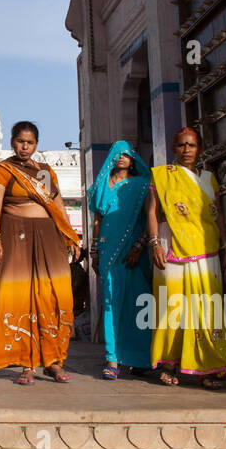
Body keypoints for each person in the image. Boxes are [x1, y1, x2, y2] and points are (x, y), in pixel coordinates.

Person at [144, 127, 226, 388]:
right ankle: (169, 363)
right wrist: (154, 243)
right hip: (171, 247)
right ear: (174, 148)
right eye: (181, 145)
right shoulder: (162, 176)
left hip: (206, 250)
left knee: (207, 310)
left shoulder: (209, 179)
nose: (186, 150)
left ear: (199, 148)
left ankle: (210, 366)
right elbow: (152, 211)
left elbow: (218, 214)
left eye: (191, 145)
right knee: (172, 308)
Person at [0, 121, 81, 384]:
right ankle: (26, 364)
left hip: (49, 239)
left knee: (53, 296)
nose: (24, 147)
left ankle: (53, 360)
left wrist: (71, 236)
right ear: (12, 141)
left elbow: (58, 206)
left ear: (36, 144)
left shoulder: (45, 172)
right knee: (21, 297)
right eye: (20, 141)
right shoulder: (3, 170)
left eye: (29, 143)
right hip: (16, 237)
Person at [88, 141, 154, 379]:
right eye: (118, 154)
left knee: (140, 303)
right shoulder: (102, 186)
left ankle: (141, 358)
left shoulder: (141, 185)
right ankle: (112, 359)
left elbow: (150, 217)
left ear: (133, 159)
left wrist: (139, 246)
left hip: (133, 254)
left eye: (128, 154)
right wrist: (94, 251)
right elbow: (97, 221)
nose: (123, 158)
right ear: (112, 158)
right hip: (108, 251)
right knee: (110, 303)